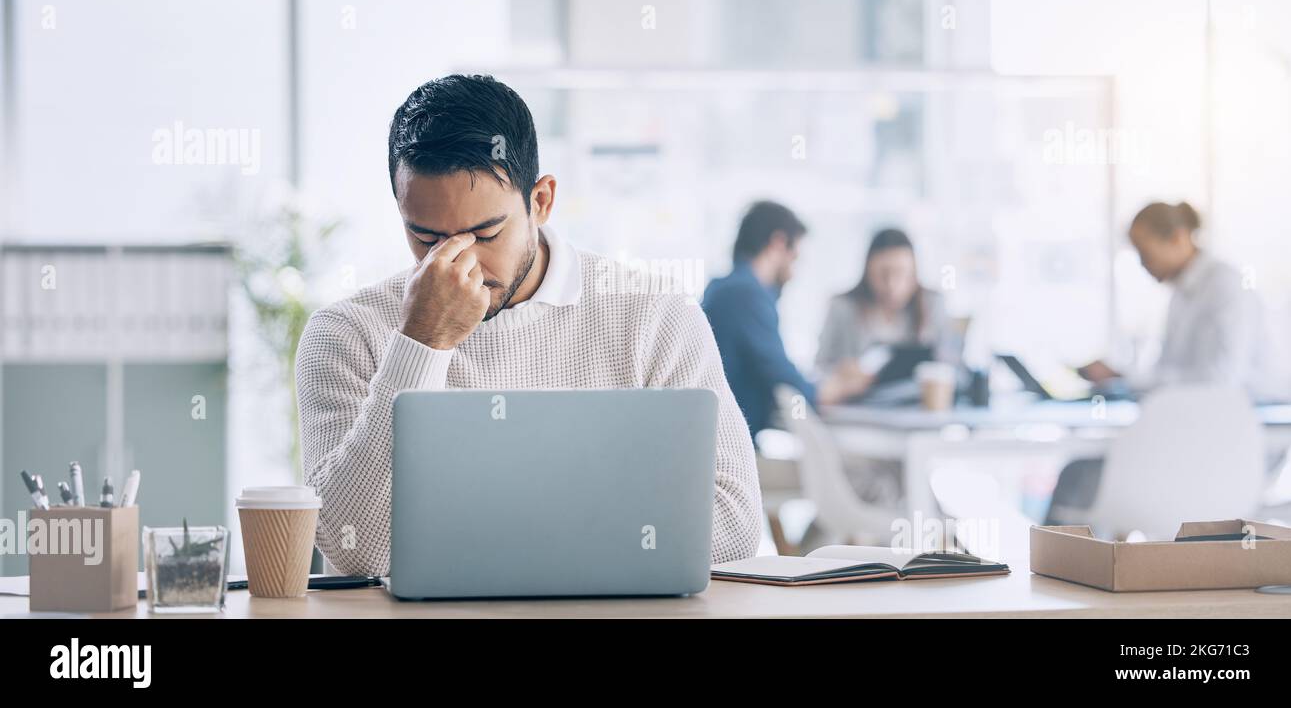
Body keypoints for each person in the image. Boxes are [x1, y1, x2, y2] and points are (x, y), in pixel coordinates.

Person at [296, 74, 762, 576]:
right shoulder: (345, 333)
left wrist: (465, 538)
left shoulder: (655, 316)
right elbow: (356, 547)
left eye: (485, 234)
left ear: (540, 201)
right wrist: (422, 343)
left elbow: (732, 521)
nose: (459, 263)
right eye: (426, 238)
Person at [1049, 200, 1289, 524]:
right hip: (1194, 436)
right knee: (1079, 473)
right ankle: (1082, 554)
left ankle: (1065, 554)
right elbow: (1172, 374)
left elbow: (1218, 381)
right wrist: (1124, 378)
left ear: (1177, 238)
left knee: (1079, 478)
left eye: (1145, 252)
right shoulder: (1181, 294)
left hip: (1230, 447)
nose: (1143, 264)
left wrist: (1128, 379)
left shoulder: (1225, 286)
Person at [701, 201, 865, 440]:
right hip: (729, 447)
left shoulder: (725, 288)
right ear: (778, 243)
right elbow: (785, 380)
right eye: (795, 257)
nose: (795, 271)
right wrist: (838, 388)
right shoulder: (745, 295)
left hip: (723, 439)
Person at [816, 228, 957, 391]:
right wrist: (840, 372)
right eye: (882, 274)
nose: (892, 285)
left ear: (913, 273)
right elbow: (820, 368)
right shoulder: (842, 306)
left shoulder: (933, 303)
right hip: (856, 402)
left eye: (901, 273)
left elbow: (952, 366)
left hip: (918, 400)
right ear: (868, 272)